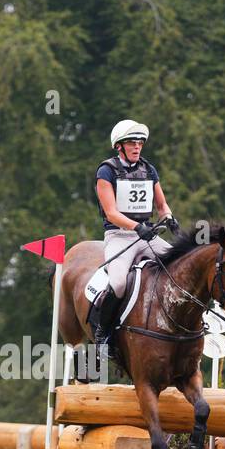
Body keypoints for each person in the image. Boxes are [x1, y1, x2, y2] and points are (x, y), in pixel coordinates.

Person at [92, 118, 179, 347]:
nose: (137, 147)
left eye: (140, 142)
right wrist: (137, 227)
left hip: (146, 235)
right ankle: (102, 333)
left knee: (180, 266)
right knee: (119, 283)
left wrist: (169, 218)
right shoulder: (106, 171)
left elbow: (161, 206)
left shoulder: (148, 169)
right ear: (119, 146)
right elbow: (111, 213)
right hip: (119, 236)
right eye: (132, 142)